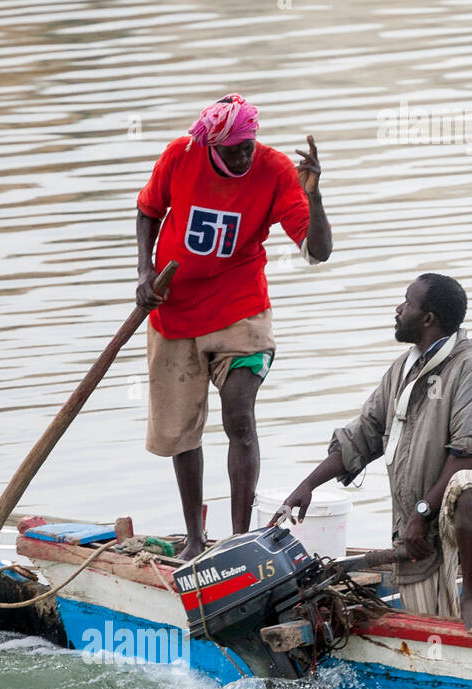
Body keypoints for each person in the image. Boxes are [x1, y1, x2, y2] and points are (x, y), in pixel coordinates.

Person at [135, 94, 333, 561]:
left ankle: (240, 539)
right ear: (212, 147)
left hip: (240, 310)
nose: (245, 156)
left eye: (250, 146)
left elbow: (318, 251)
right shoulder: (180, 157)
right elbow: (147, 211)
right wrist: (144, 274)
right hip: (175, 311)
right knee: (183, 431)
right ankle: (196, 539)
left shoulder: (275, 170)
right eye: (234, 150)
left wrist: (314, 195)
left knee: (239, 415)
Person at [271, 274, 472, 634]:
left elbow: (469, 452)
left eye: (407, 303)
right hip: (412, 528)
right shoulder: (402, 370)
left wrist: (422, 512)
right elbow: (364, 434)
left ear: (427, 319)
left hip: (450, 512)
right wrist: (308, 485)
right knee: (431, 627)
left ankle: (471, 595)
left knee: (468, 488)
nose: (398, 310)